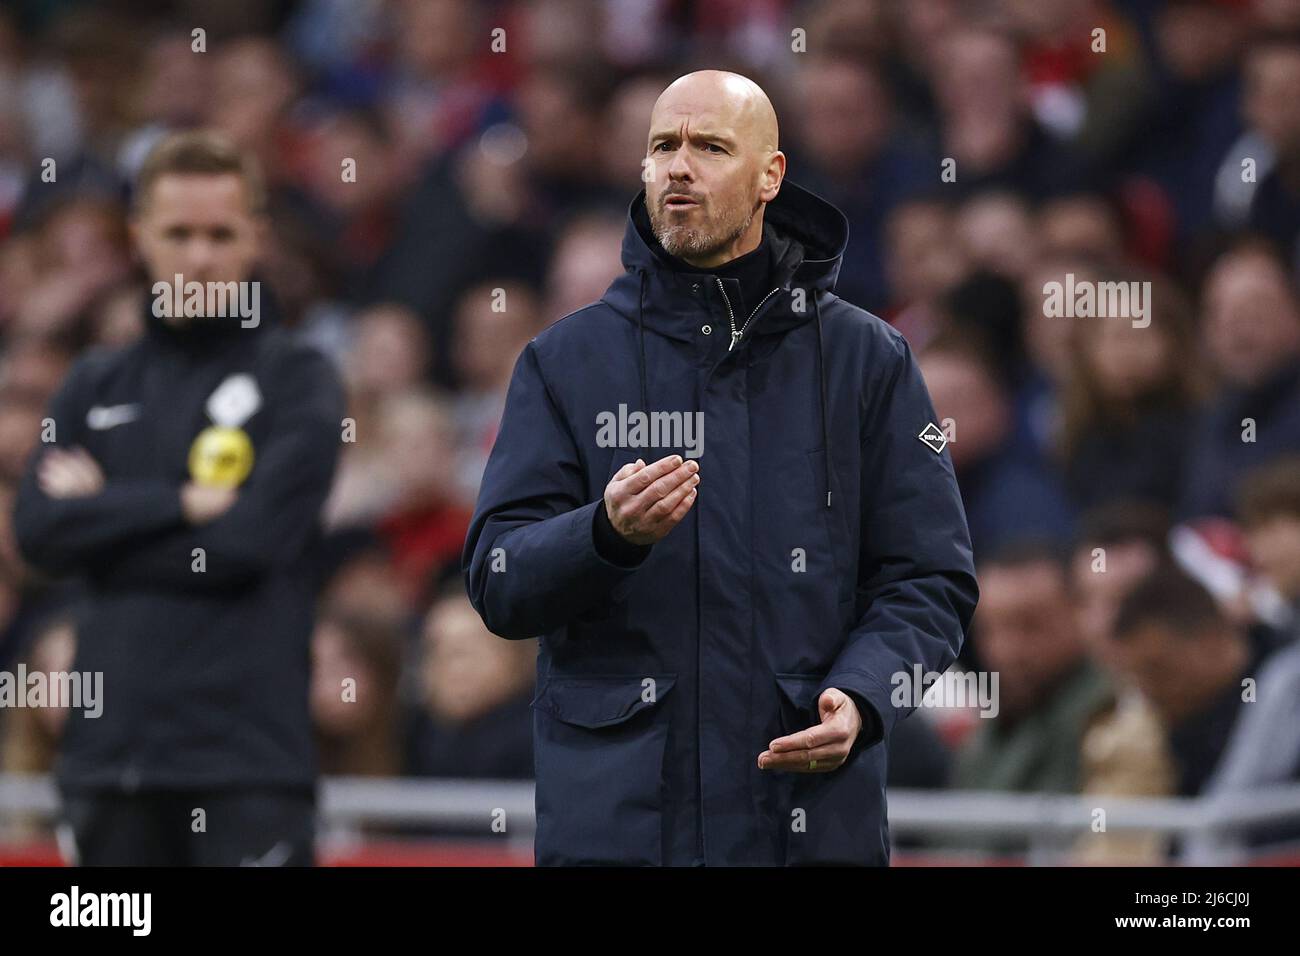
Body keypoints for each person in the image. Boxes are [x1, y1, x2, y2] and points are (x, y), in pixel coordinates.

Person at [463, 70, 977, 866]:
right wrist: (604, 534)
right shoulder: (565, 361)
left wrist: (868, 695)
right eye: (662, 146)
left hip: (804, 831)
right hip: (622, 837)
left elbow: (930, 579)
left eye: (709, 146)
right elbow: (498, 579)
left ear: (770, 175)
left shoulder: (867, 361)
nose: (678, 166)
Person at [12, 131, 344, 866]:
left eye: (220, 234)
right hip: (108, 764)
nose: (198, 257)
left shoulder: (301, 379)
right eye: (179, 233)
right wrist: (185, 503)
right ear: (139, 238)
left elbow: (251, 540)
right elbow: (36, 532)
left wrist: (103, 516)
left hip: (248, 769)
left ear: (256, 237)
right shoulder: (93, 383)